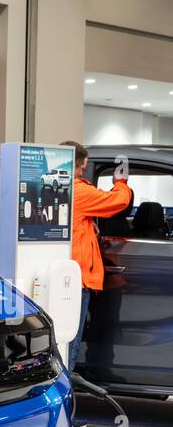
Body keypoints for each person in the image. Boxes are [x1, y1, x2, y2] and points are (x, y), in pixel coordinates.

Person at [60, 141, 131, 373]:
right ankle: (65, 394)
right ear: (74, 165)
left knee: (62, 340)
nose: (83, 172)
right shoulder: (77, 190)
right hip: (76, 281)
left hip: (65, 276)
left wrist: (90, 227)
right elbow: (118, 201)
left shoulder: (53, 187)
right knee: (69, 343)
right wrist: (121, 183)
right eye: (82, 168)